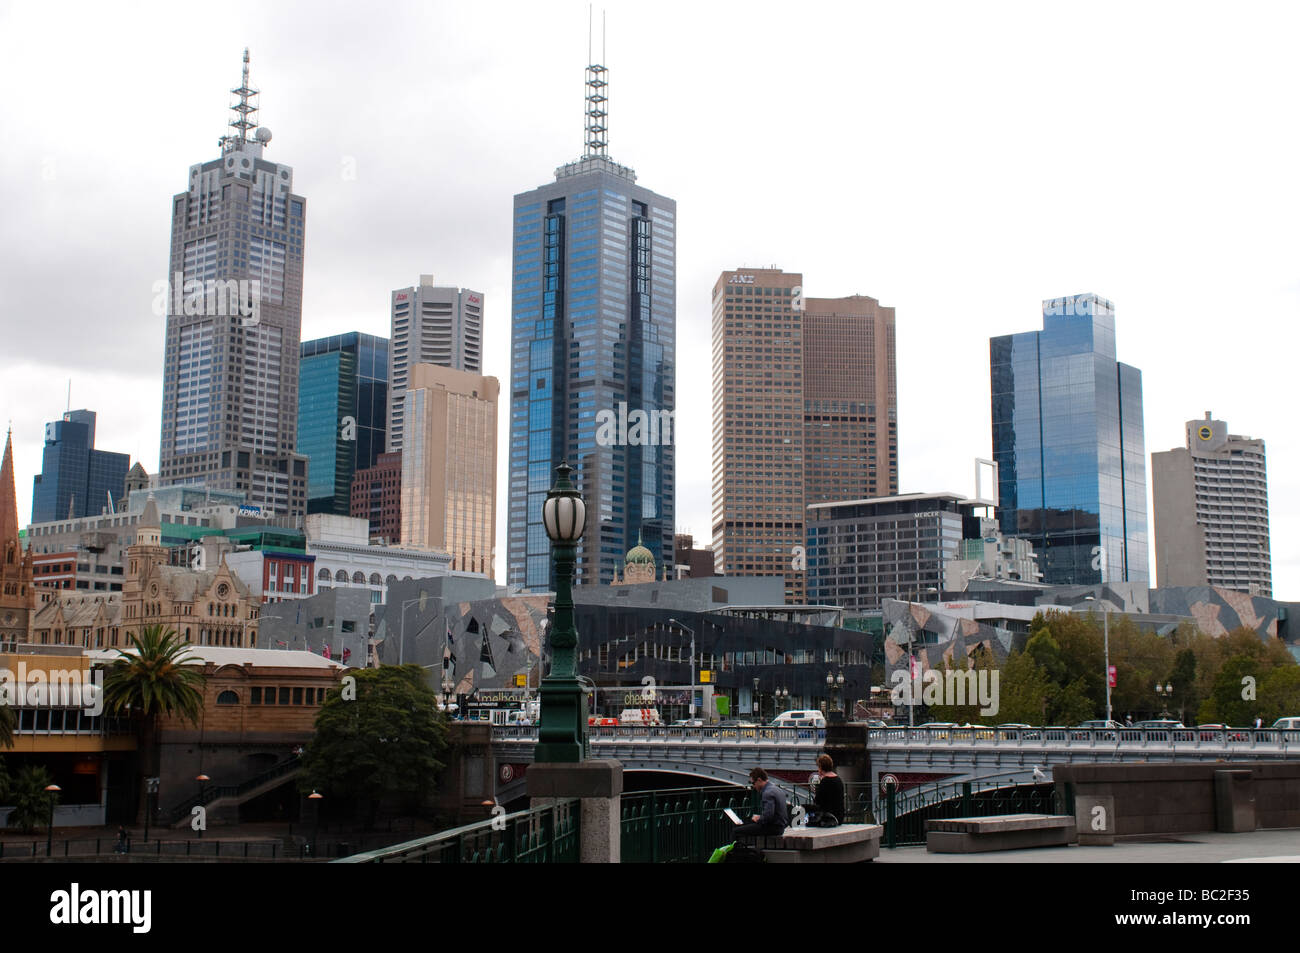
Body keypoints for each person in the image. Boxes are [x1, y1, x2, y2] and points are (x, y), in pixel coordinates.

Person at [732, 767, 789, 840]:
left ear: (759, 780)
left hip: (773, 828)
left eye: (753, 783)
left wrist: (758, 819)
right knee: (746, 826)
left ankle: (737, 851)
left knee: (736, 831)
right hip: (780, 827)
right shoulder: (777, 789)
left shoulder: (767, 793)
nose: (753, 786)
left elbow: (768, 817)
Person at [807, 753, 845, 827]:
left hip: (829, 818)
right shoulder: (838, 779)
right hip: (839, 817)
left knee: (803, 809)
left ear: (821, 767)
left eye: (818, 767)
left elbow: (818, 801)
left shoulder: (825, 781)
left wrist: (819, 785)